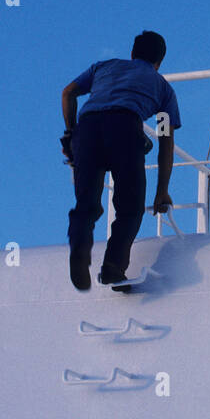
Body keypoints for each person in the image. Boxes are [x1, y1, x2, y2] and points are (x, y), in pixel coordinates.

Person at [61, 31, 181, 292]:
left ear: (132, 53)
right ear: (160, 62)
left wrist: (71, 135)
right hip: (125, 129)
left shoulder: (105, 67)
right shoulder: (162, 88)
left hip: (88, 129)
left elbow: (68, 93)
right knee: (130, 207)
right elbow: (165, 142)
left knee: (86, 204)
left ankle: (79, 251)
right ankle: (113, 267)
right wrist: (162, 191)